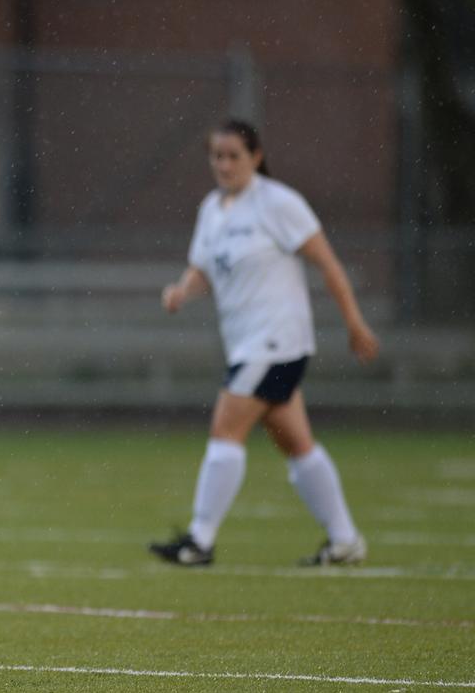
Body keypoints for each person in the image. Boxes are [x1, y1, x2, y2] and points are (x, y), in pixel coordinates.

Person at [149, 119, 379, 568]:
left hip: (276, 340)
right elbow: (203, 269)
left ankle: (199, 541)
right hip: (246, 344)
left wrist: (354, 323)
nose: (224, 165)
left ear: (256, 157)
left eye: (234, 155)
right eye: (217, 156)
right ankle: (346, 541)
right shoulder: (212, 209)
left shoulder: (278, 203)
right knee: (297, 445)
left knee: (225, 429)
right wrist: (181, 291)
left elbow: (328, 264)